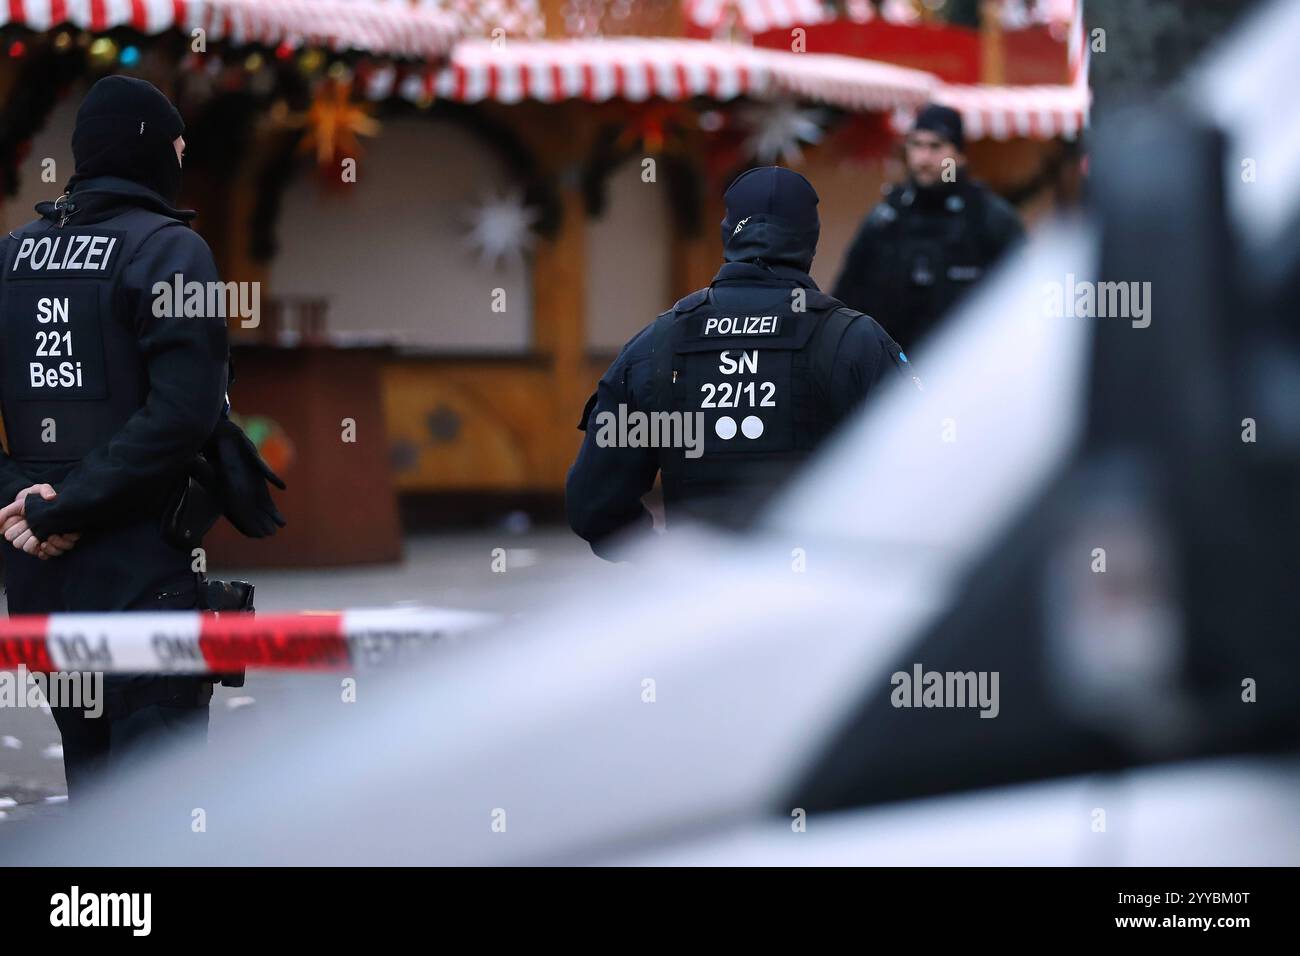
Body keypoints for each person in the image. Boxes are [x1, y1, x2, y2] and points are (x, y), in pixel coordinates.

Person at [0, 76, 283, 799]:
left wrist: (25, 503)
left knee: (93, 790)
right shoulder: (170, 253)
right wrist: (62, 506)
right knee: (159, 801)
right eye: (177, 149)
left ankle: (97, 914)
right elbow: (182, 414)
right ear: (151, 152)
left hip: (39, 577)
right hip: (139, 571)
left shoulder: (11, 259)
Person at [567, 166, 912, 560]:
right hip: (824, 601)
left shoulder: (657, 344)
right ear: (810, 241)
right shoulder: (855, 341)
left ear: (728, 233)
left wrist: (666, 559)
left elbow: (594, 505)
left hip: (703, 600)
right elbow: (923, 477)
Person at [832, 104, 1025, 354]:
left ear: (959, 156)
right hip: (894, 377)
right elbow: (846, 300)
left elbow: (1022, 303)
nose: (924, 159)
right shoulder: (885, 220)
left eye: (936, 147)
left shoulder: (989, 219)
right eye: (916, 145)